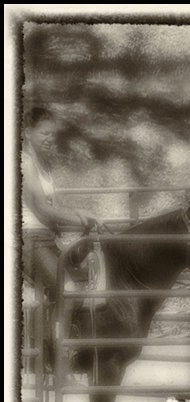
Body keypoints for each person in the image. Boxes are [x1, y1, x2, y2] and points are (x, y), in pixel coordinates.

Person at [22, 105, 99, 368]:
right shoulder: (24, 163)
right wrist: (81, 217)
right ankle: (55, 354)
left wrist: (79, 215)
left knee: (86, 279)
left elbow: (56, 205)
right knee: (67, 290)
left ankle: (59, 346)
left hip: (45, 238)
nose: (49, 139)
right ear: (27, 132)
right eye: (44, 133)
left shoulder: (44, 165)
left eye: (52, 134)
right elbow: (42, 208)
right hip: (29, 239)